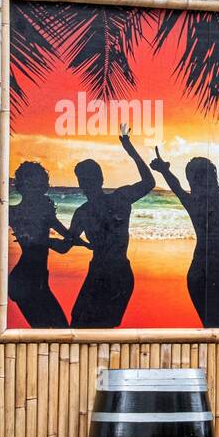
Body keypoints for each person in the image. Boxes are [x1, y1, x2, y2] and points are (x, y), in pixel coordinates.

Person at [149, 149, 219, 328]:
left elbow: (177, 188)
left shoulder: (198, 200)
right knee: (218, 328)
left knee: (214, 329)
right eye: (212, 173)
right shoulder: (209, 200)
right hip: (211, 272)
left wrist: (164, 170)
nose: (214, 176)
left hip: (202, 272)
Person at [65, 124, 154, 328]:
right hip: (100, 272)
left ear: (100, 179)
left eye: (88, 179)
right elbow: (65, 245)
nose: (85, 183)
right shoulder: (85, 212)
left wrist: (128, 146)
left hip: (116, 273)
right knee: (79, 320)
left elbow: (149, 182)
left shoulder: (118, 199)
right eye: (83, 179)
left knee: (94, 326)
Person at [8, 161, 85, 328]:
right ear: (21, 186)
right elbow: (49, 244)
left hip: (38, 280)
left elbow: (65, 240)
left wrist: (86, 242)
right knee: (54, 332)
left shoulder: (44, 209)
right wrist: (54, 242)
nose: (33, 188)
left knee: (59, 331)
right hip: (25, 282)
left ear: (43, 185)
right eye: (29, 184)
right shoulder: (12, 213)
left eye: (37, 184)